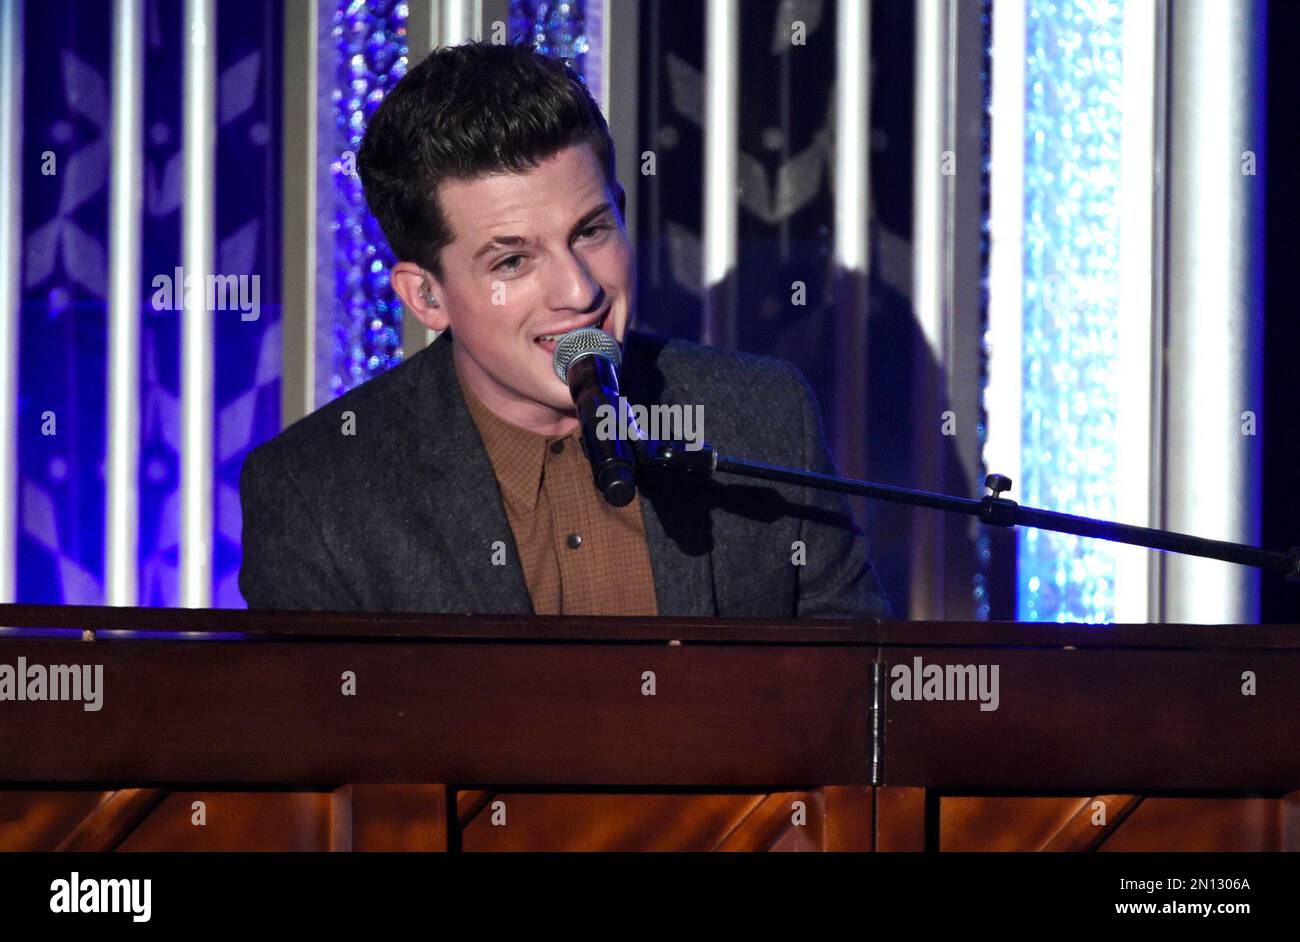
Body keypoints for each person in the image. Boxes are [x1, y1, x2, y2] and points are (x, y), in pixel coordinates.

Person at [238, 41, 888, 619]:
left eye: (592, 232)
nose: (580, 291)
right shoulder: (316, 495)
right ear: (426, 296)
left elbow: (859, 708)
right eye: (513, 260)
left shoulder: (763, 414)